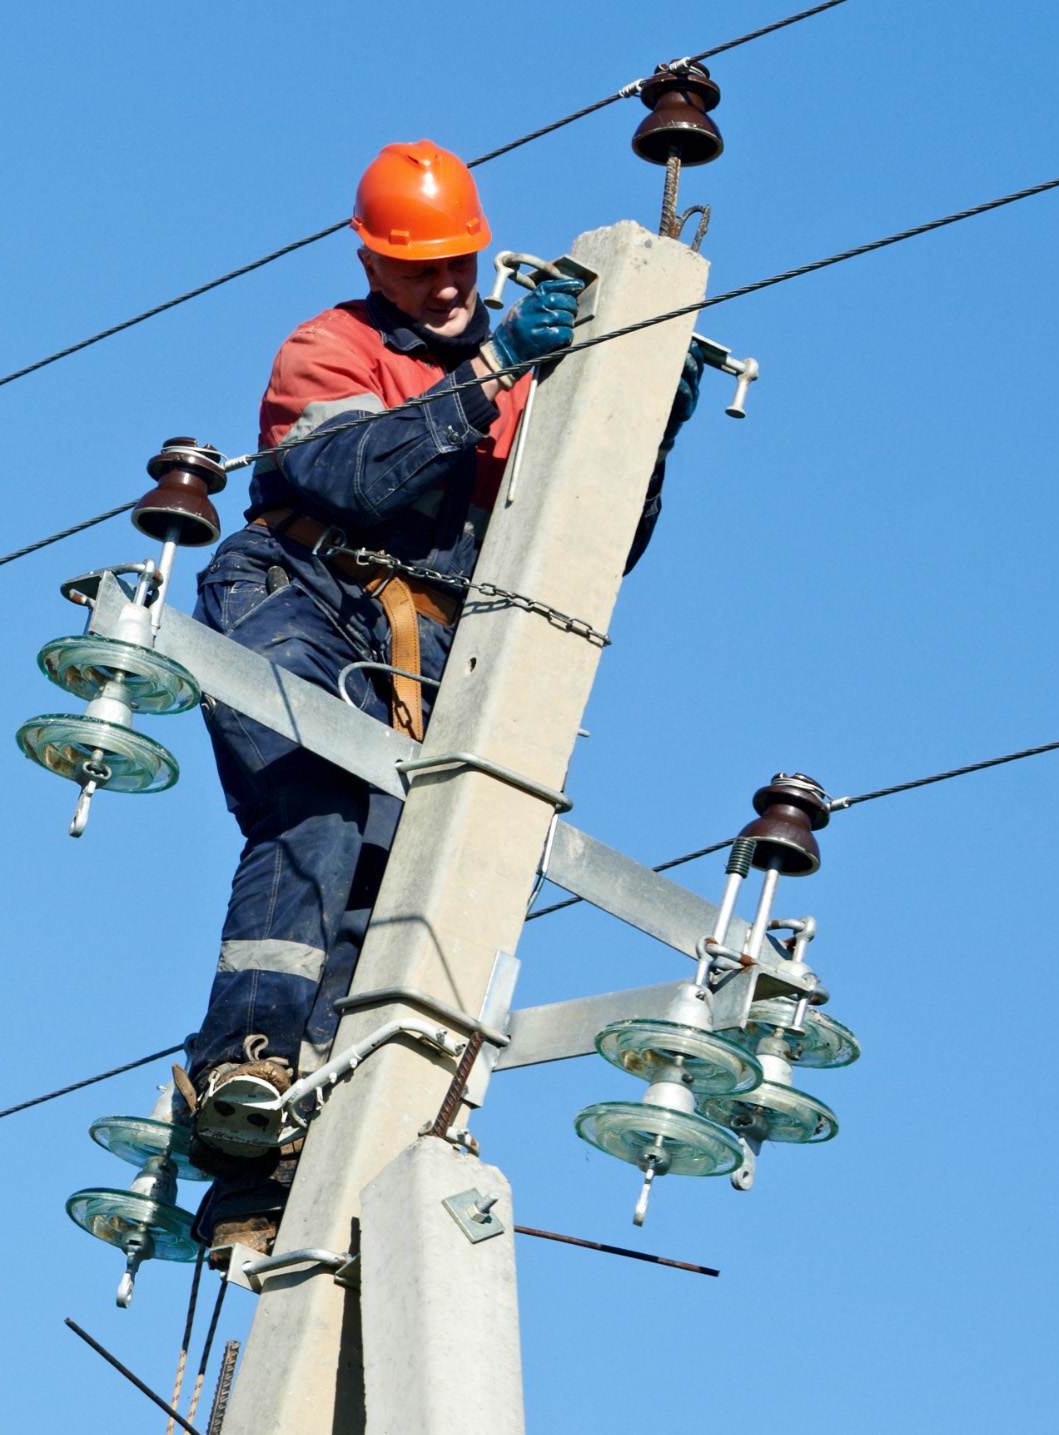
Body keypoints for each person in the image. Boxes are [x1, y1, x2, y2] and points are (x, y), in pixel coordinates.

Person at [175, 140, 698, 1256]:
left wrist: (638, 427)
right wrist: (493, 368)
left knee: (400, 875)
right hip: (296, 587)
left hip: (422, 637)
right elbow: (345, 476)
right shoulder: (330, 347)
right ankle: (244, 1069)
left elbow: (588, 549)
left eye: (458, 260)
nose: (448, 285)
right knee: (312, 802)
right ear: (373, 261)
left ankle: (285, 1159)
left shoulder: (527, 381)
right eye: (421, 269)